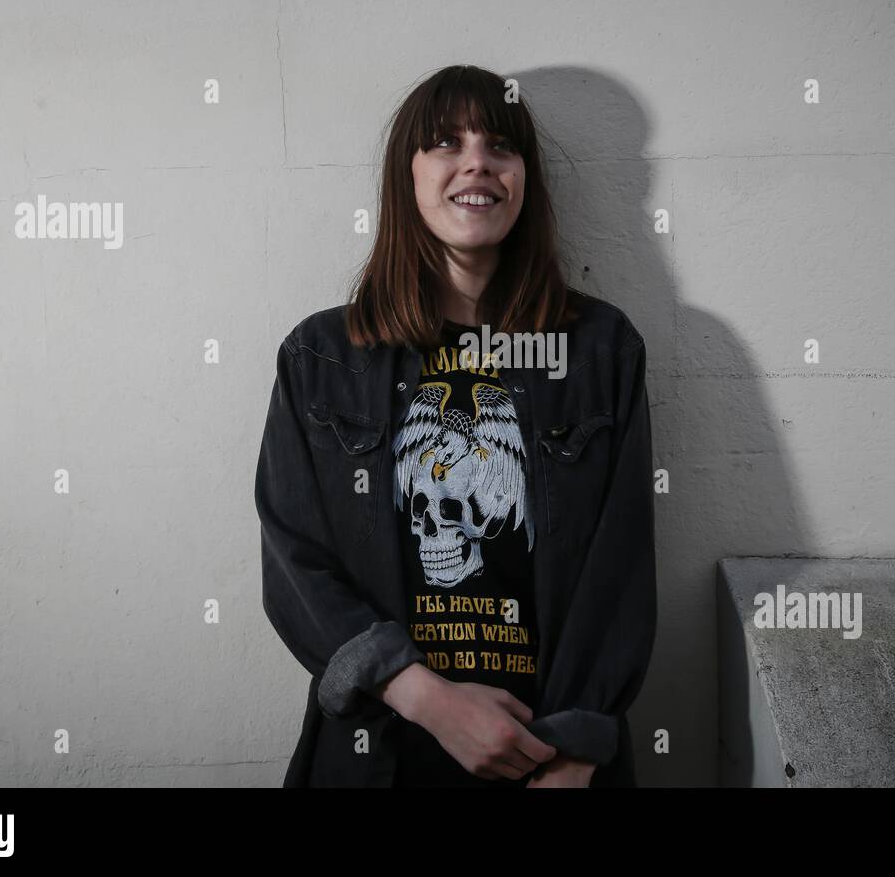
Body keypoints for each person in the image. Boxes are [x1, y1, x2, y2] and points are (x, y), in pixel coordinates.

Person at [255, 64, 656, 787]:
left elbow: (620, 569)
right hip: (378, 754)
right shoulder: (321, 359)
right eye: (445, 142)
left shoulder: (599, 351)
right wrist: (426, 697)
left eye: (500, 145)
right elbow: (295, 562)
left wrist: (576, 747)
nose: (477, 160)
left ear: (525, 178)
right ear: (405, 176)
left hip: (552, 758)